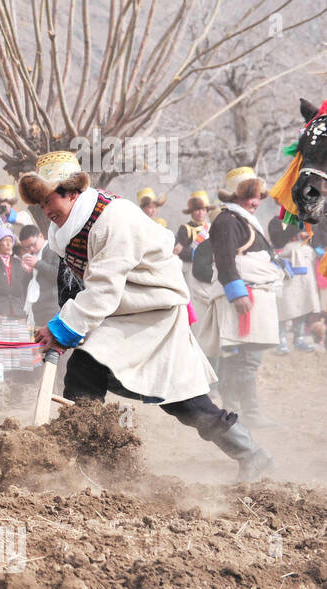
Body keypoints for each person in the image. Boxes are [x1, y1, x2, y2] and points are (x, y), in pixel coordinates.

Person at [24, 151, 271, 481]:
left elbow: (103, 291)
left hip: (153, 315)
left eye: (49, 199)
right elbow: (77, 287)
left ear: (72, 191)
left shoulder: (113, 219)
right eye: (41, 204)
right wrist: (61, 329)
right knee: (86, 369)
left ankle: (253, 455)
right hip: (124, 315)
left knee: (185, 403)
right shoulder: (67, 232)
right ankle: (84, 462)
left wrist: (64, 329)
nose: (46, 210)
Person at [209, 167, 282, 427]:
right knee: (244, 359)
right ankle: (242, 412)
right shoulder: (227, 220)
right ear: (235, 197)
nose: (256, 201)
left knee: (247, 358)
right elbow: (226, 259)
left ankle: (239, 412)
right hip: (243, 298)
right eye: (250, 196)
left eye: (258, 196)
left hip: (255, 296)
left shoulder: (245, 221)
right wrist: (236, 291)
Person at [0, 226, 35, 379]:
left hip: (17, 312)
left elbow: (26, 286)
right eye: (4, 241)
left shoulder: (19, 264)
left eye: (10, 240)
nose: (8, 244)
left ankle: (18, 380)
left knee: (18, 351)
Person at [269, 216, 320, 353]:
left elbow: (316, 237)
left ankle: (299, 337)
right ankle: (281, 339)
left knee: (304, 301)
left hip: (305, 264)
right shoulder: (276, 222)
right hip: (285, 266)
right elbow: (277, 240)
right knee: (283, 305)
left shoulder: (308, 219)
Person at [19, 224, 59, 330]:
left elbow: (58, 275)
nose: (31, 249)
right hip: (36, 308)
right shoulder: (32, 255)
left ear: (41, 236)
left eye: (33, 244)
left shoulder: (54, 249)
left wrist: (38, 264)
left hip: (53, 307)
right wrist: (27, 272)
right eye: (27, 247)